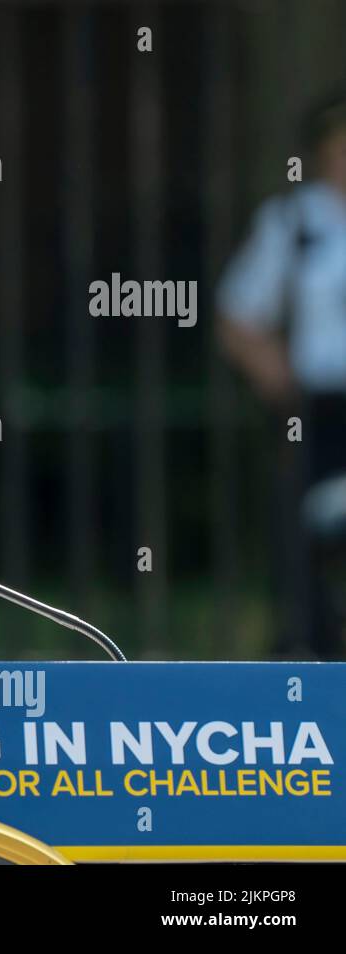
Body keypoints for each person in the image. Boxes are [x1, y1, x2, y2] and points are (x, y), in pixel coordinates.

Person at [217, 88, 346, 659]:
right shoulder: (293, 220)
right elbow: (240, 314)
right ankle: (307, 647)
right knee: (306, 531)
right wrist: (278, 378)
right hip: (320, 403)